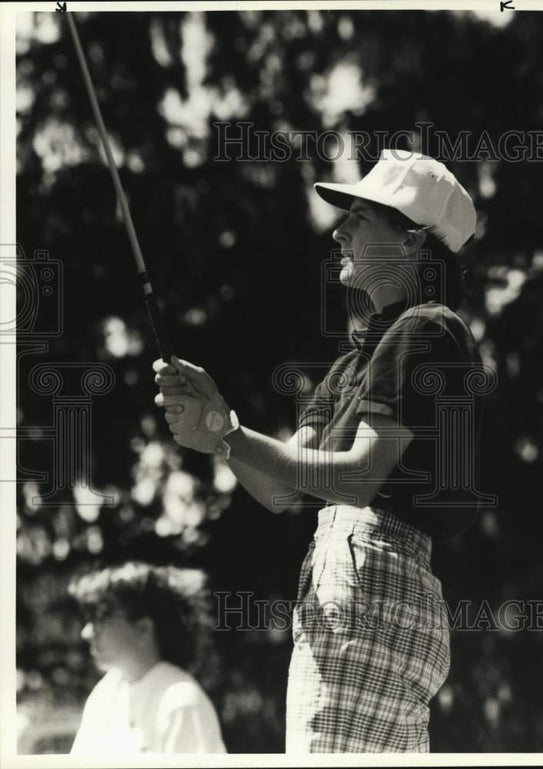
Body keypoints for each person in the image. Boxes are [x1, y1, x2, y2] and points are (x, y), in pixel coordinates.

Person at [154, 149, 489, 752]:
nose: (339, 231)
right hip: (371, 585)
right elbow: (284, 489)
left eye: (360, 218)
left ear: (413, 242)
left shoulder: (426, 327)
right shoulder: (352, 364)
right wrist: (221, 427)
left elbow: (359, 477)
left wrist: (229, 435)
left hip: (372, 579)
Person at [68, 561, 227, 755]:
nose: (87, 632)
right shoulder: (104, 694)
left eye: (101, 618)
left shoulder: (181, 702)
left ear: (143, 628)